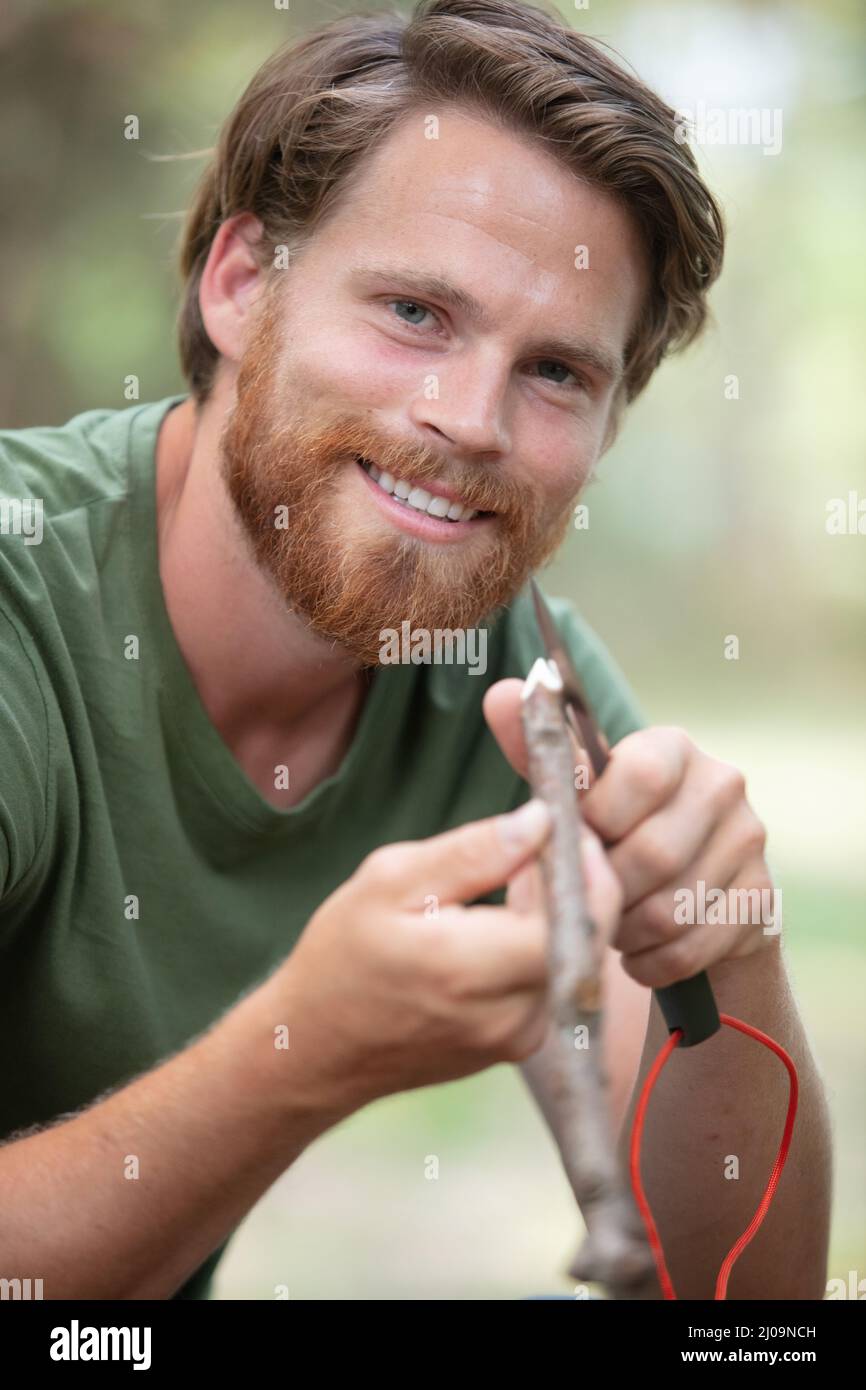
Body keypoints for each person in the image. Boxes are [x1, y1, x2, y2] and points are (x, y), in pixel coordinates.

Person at [0, 0, 830, 1300]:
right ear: (239, 283)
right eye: (414, 311)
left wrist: (729, 944)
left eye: (555, 372)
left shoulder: (516, 684)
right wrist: (297, 1055)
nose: (471, 419)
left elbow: (737, 1308)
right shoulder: (22, 601)